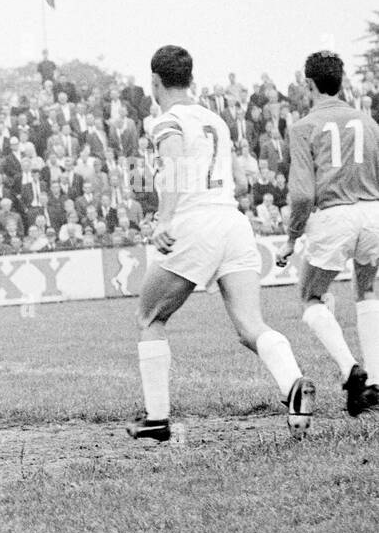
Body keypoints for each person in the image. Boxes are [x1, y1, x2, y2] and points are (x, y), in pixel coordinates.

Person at [129, 45, 313, 441]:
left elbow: (175, 163)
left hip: (195, 222)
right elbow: (241, 181)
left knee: (150, 318)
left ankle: (157, 418)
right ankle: (293, 382)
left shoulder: (167, 120)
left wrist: (165, 217)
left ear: (155, 82)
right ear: (191, 79)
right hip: (232, 222)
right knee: (251, 326)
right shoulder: (216, 119)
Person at [274, 50, 379, 416]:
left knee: (311, 296)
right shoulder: (368, 123)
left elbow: (302, 193)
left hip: (334, 215)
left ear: (309, 85)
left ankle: (352, 370)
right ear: (342, 81)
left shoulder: (303, 127)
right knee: (366, 291)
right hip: (373, 212)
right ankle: (376, 382)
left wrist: (291, 238)